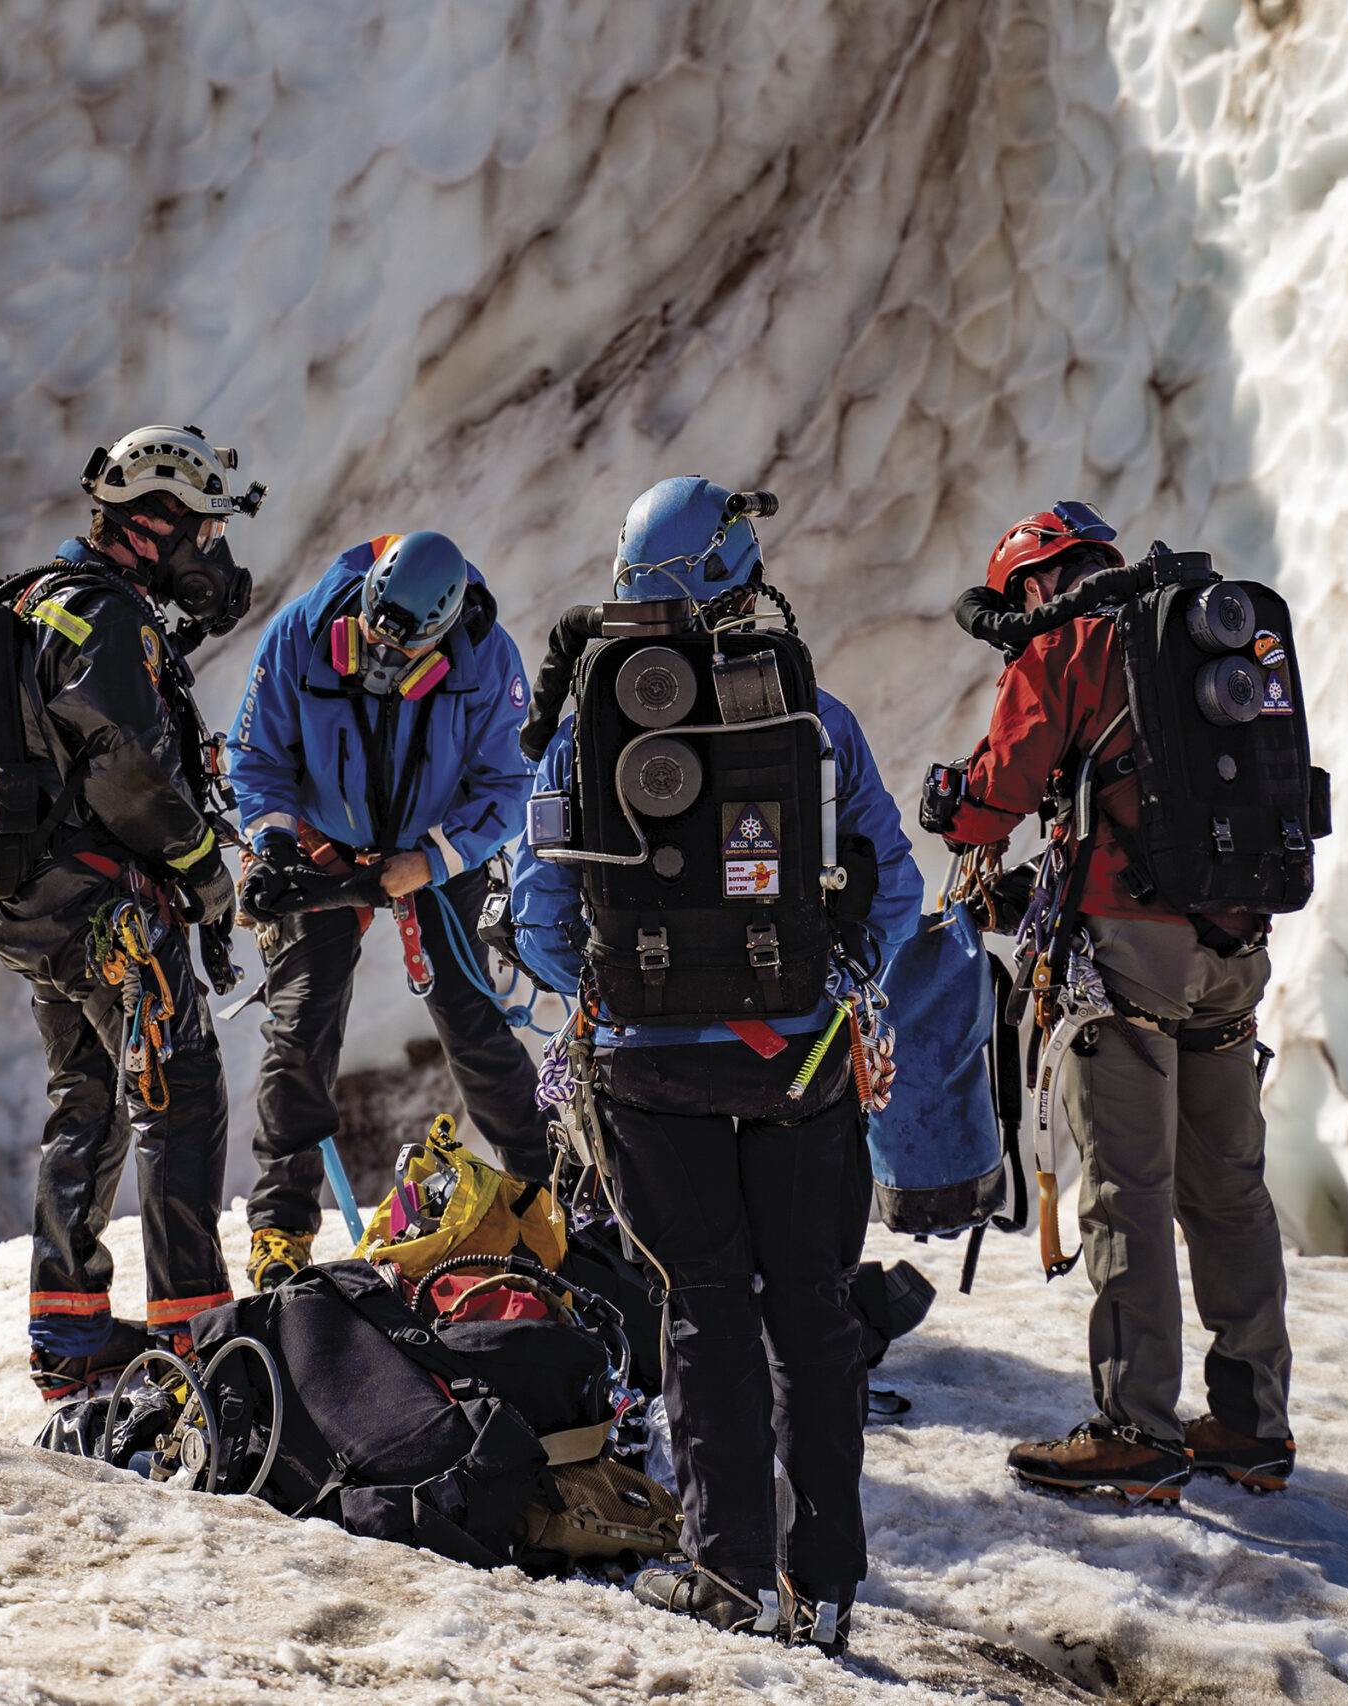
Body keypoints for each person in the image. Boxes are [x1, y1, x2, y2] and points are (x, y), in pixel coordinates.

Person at [510, 477, 921, 1655]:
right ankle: (824, 1584)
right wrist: (827, 973)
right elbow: (892, 884)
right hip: (798, 1066)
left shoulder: (593, 728)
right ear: (735, 575)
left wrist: (619, 986)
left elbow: (538, 915)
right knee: (813, 1312)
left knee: (702, 1310)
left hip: (648, 1072)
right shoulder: (814, 721)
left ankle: (727, 1568)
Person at [937, 501, 1295, 1500]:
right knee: (1227, 1189)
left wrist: (945, 800)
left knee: (1126, 1188)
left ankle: (1136, 1428)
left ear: (1033, 581)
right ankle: (1250, 1420)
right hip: (1232, 938)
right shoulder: (1203, 634)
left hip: (1126, 953)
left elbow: (993, 791)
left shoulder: (1068, 638)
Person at [0, 425, 259, 1402]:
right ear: (148, 523)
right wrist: (199, 868)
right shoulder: (101, 616)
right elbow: (124, 763)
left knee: (91, 1100)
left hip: (41, 907)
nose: (208, 549)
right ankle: (199, 1338)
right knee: (179, 1092)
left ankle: (67, 1335)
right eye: (196, 527)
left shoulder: (35, 603)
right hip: (107, 902)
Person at [226, 530, 546, 1291]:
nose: (380, 656)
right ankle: (280, 1225)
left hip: (437, 851)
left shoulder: (488, 659)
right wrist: (270, 843)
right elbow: (258, 756)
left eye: (402, 650)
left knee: (471, 1021)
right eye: (373, 635)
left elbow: (506, 785)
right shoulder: (301, 634)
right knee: (302, 1023)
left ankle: (545, 1186)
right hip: (319, 845)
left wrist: (432, 861)